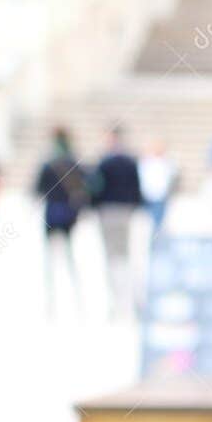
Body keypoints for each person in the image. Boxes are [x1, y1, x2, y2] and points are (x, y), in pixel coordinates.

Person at [91, 124, 143, 319]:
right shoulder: (130, 160)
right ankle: (127, 300)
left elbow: (95, 188)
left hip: (110, 212)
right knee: (124, 256)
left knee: (114, 257)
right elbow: (137, 189)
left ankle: (119, 301)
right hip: (125, 211)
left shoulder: (105, 162)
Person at [36, 126, 87, 316]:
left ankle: (51, 302)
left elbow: (38, 189)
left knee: (51, 259)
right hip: (69, 214)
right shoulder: (74, 161)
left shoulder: (49, 162)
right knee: (69, 257)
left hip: (52, 213)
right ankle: (76, 300)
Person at [138, 138, 177, 235]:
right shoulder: (146, 161)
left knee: (158, 224)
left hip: (160, 196)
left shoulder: (168, 162)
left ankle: (155, 243)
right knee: (146, 223)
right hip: (147, 196)